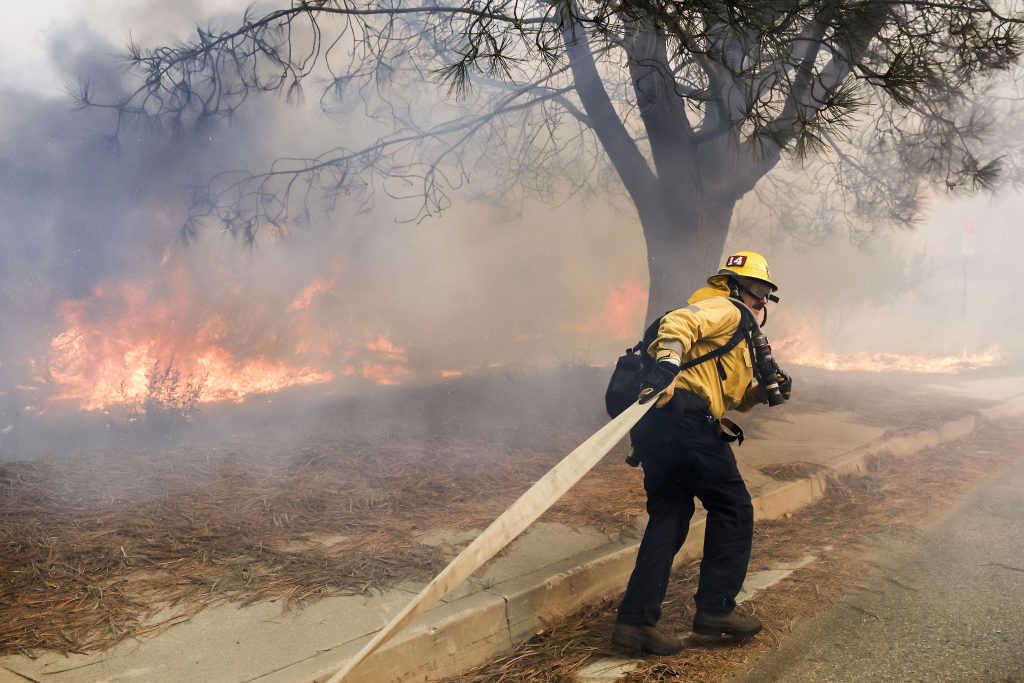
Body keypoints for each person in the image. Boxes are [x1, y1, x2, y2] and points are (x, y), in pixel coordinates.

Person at [610, 250, 792, 656]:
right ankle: (715, 609)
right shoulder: (724, 308)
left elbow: (731, 394)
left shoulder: (737, 334)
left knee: (671, 516)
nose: (761, 299)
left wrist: (767, 388)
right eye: (756, 288)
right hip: (686, 420)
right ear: (731, 284)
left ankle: (635, 623)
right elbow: (678, 324)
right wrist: (666, 365)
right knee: (734, 507)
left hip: (660, 424)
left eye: (766, 292)